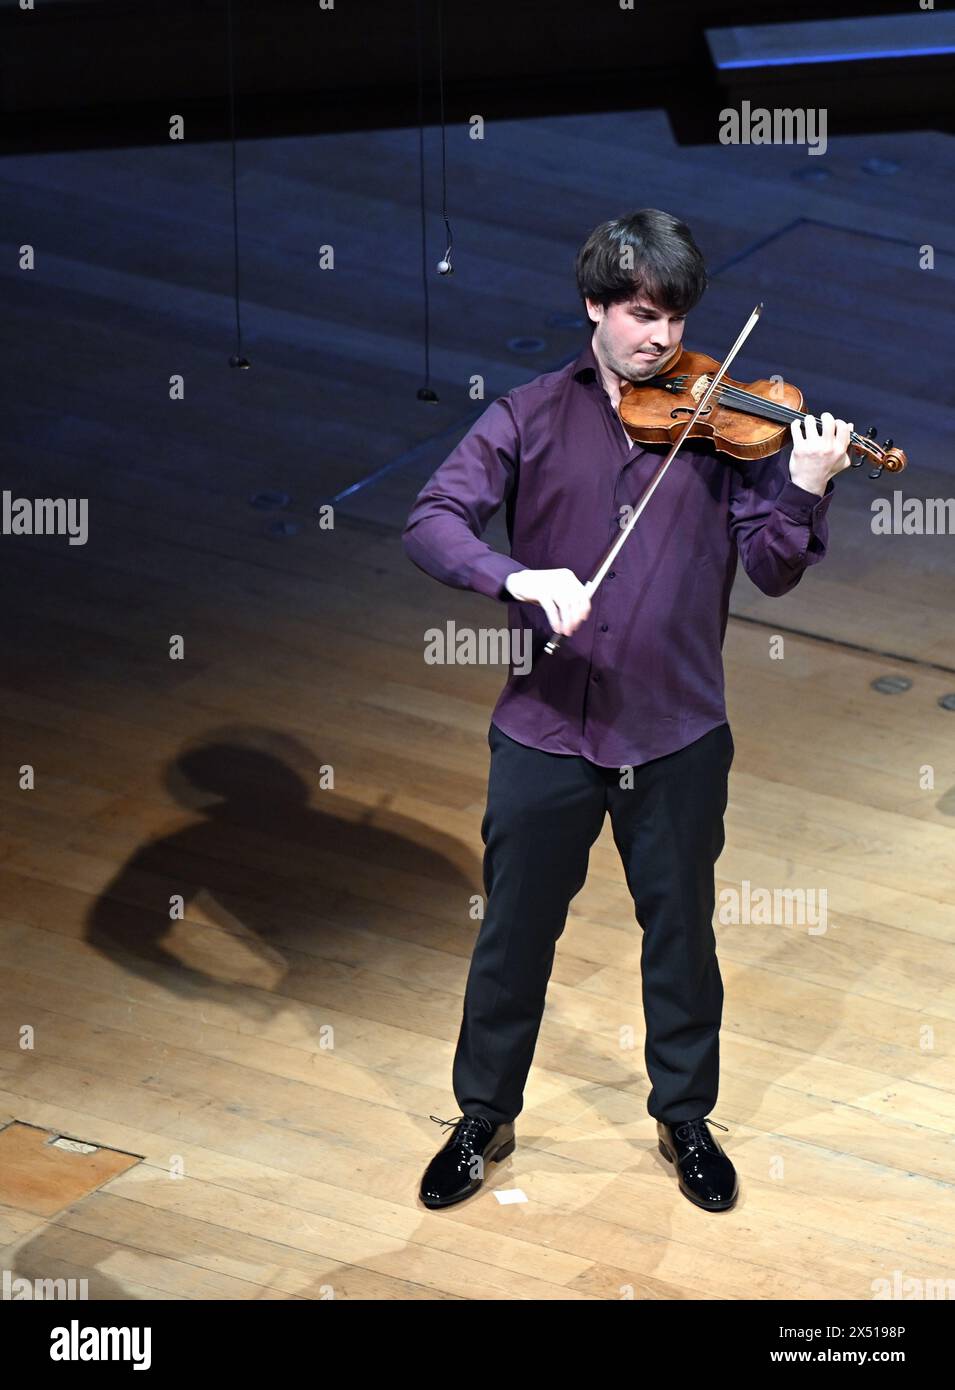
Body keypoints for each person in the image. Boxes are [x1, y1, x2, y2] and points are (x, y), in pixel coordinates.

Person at [401, 209, 853, 1212]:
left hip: (677, 730)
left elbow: (774, 568)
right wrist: (514, 579)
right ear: (595, 306)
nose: (662, 341)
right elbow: (431, 520)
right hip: (545, 729)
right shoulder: (527, 413)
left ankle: (685, 1119)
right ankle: (483, 1116)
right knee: (512, 936)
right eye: (642, 316)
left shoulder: (723, 423)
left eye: (675, 318)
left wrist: (809, 485)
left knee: (681, 937)